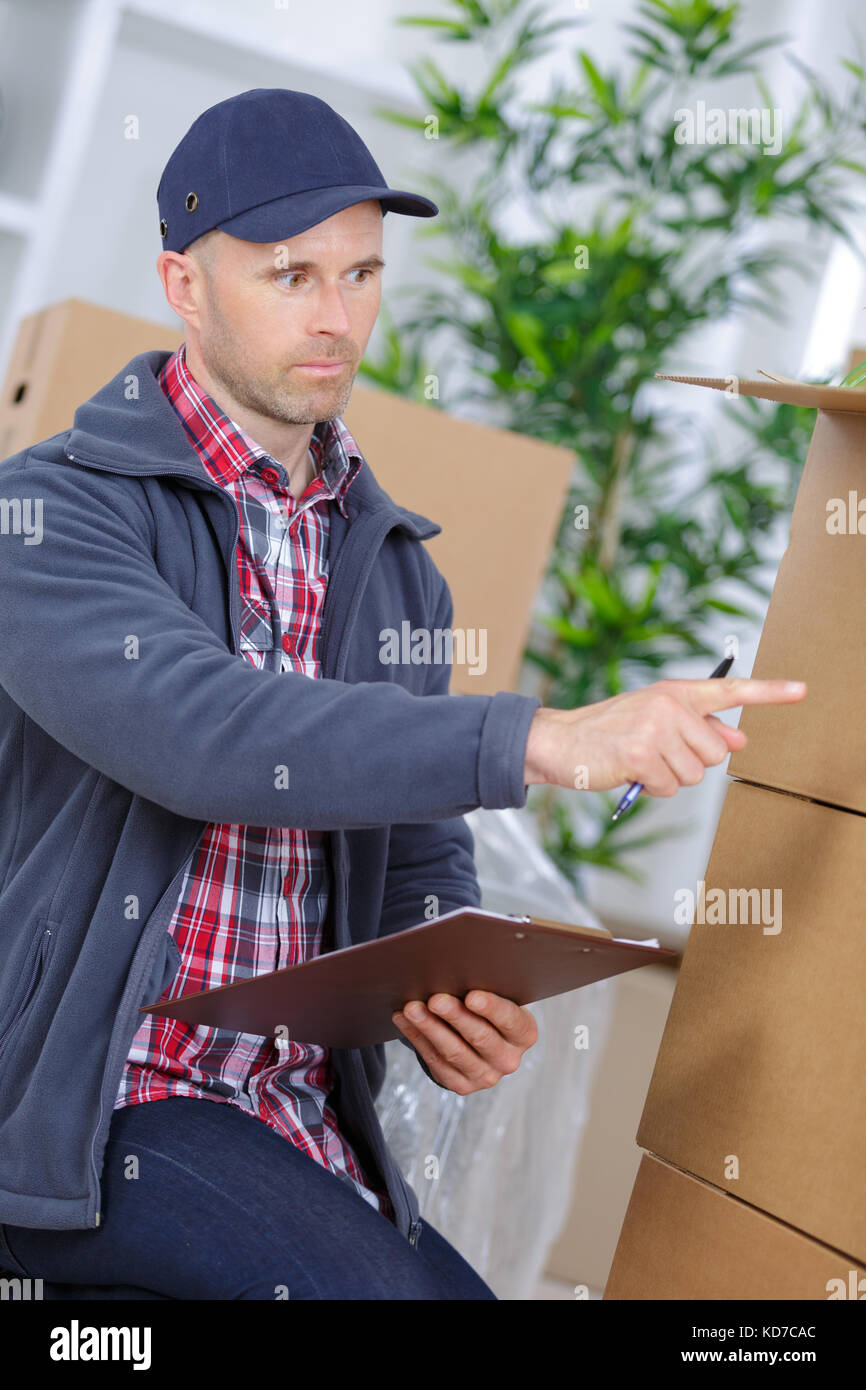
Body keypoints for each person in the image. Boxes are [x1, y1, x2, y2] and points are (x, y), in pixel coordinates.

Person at [0, 89, 806, 1301]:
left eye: (363, 275)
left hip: (288, 1112)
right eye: (292, 276)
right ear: (183, 284)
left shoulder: (393, 570)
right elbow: (204, 731)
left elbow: (417, 857)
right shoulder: (52, 514)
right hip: (103, 1102)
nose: (338, 319)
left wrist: (444, 992)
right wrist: (536, 736)